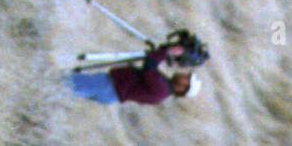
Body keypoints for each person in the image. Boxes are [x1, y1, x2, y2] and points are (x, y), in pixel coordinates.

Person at [70, 47, 202, 106]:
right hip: (109, 88)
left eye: (187, 78)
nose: (184, 74)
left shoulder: (161, 90)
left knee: (62, 84)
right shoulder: (164, 86)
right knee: (66, 88)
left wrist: (169, 51)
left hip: (108, 88)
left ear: (182, 89)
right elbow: (152, 64)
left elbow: (150, 65)